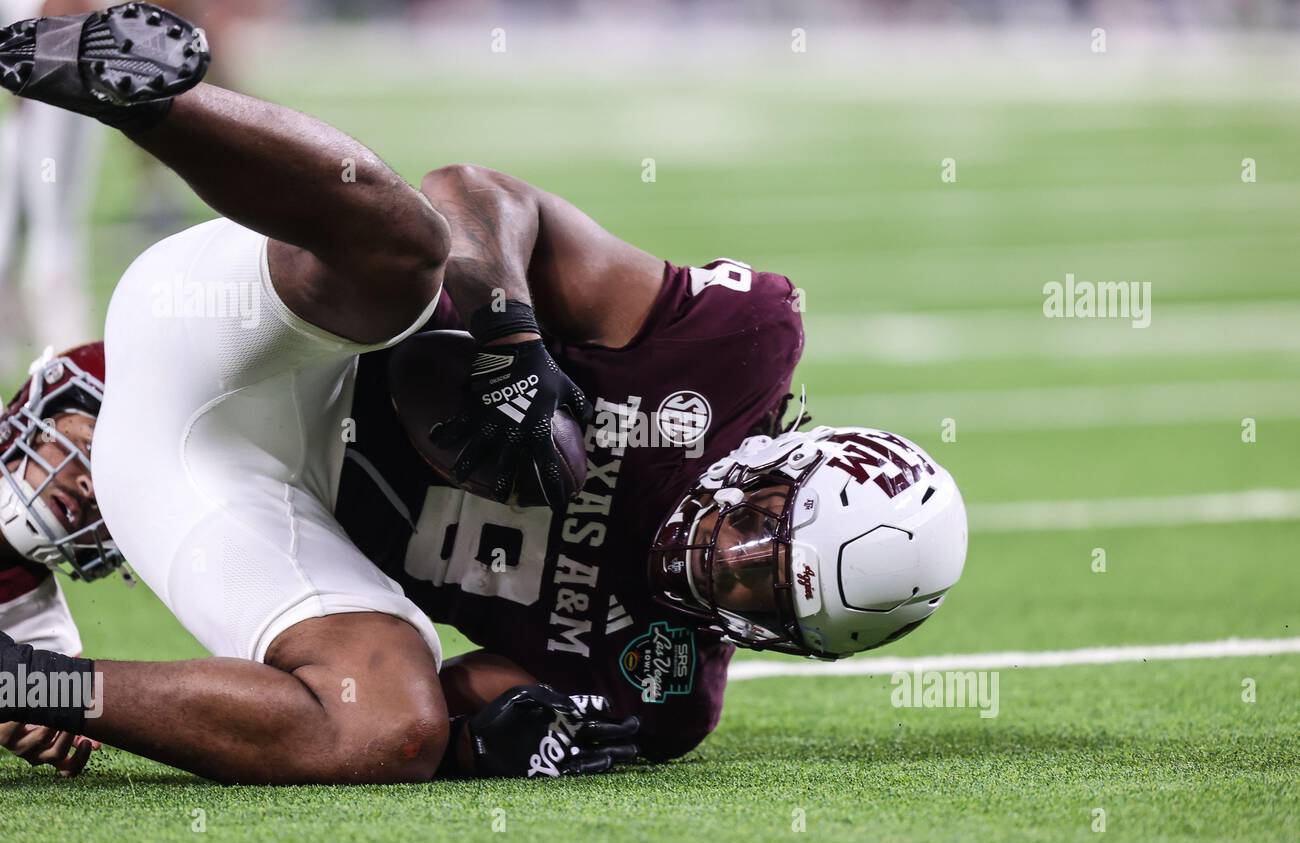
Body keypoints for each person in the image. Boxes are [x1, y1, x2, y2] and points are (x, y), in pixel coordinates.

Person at [0, 3, 967, 784]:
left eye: (764, 598)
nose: (734, 565)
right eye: (762, 527)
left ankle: (27, 682)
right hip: (266, 340)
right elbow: (478, 191)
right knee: (419, 256)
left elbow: (458, 713)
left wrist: (493, 741)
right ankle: (145, 98)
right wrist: (509, 334)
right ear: (780, 461)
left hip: (243, 507)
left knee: (386, 730)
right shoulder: (733, 345)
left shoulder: (659, 692)